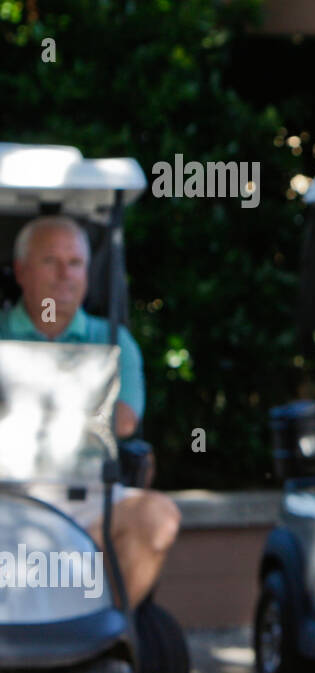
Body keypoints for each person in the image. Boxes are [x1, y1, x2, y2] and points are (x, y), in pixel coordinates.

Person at [0, 215, 180, 608]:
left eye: (76, 263)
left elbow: (125, 420)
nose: (65, 274)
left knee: (158, 516)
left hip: (87, 497)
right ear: (21, 271)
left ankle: (102, 636)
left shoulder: (114, 339)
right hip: (6, 494)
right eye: (50, 261)